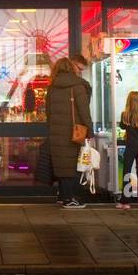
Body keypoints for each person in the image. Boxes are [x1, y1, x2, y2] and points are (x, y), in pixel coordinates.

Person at [46, 57, 92, 209]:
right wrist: (89, 130)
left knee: (61, 164)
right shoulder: (77, 86)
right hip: (73, 132)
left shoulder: (52, 87)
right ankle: (69, 198)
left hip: (56, 132)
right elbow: (84, 112)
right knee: (71, 166)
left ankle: (62, 195)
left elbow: (49, 112)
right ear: (72, 69)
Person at [117, 90, 138, 209]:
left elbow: (121, 126)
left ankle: (125, 202)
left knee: (127, 173)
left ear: (128, 101)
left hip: (130, 147)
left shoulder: (125, 115)